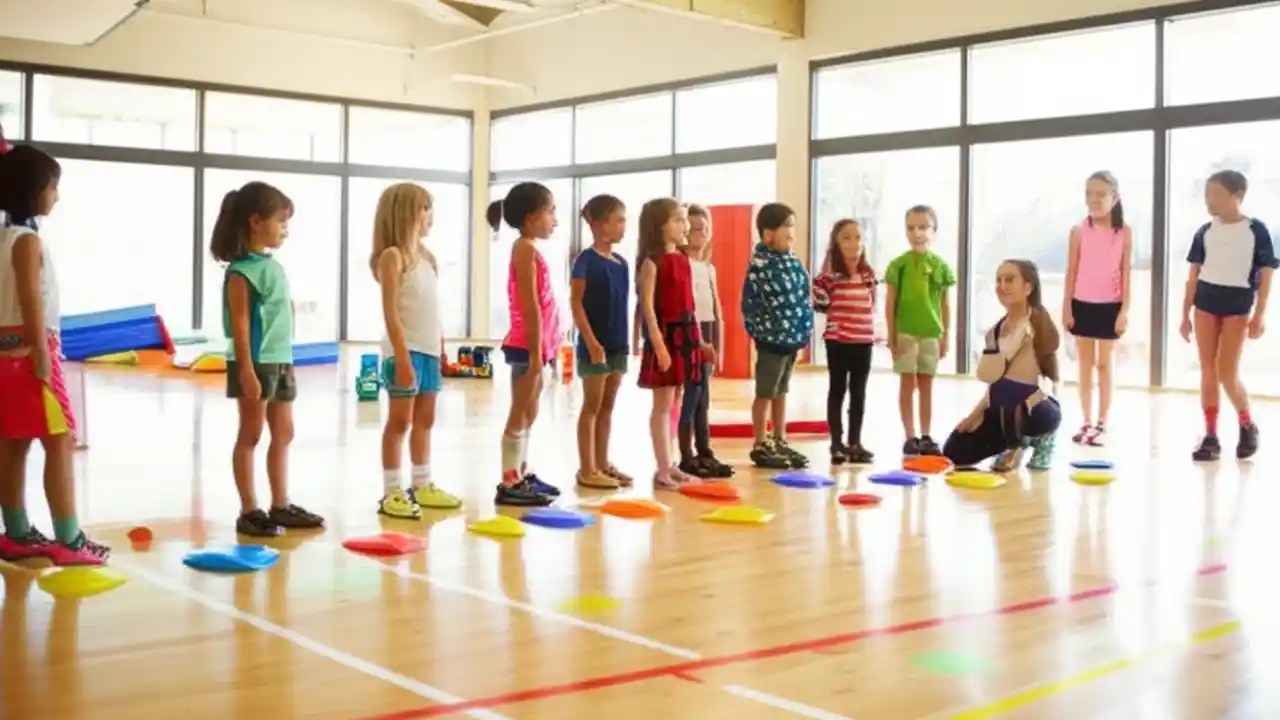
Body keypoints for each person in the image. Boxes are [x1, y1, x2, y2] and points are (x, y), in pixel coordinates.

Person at [0, 144, 109, 565]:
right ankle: (70, 540)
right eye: (52, 187)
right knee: (60, 441)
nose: (57, 196)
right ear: (33, 191)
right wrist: (41, 356)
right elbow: (30, 297)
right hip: (32, 351)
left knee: (13, 444)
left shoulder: (3, 237)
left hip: (6, 354)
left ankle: (16, 532)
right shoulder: (26, 241)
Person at [212, 181, 325, 538]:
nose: (285, 229)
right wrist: (246, 369)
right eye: (281, 221)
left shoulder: (270, 265)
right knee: (251, 433)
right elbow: (240, 326)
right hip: (256, 362)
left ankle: (280, 504)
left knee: (284, 431)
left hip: (280, 358)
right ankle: (249, 510)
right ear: (256, 221)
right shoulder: (241, 272)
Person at [371, 183, 461, 519]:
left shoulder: (428, 258)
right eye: (425, 209)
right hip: (404, 352)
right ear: (407, 214)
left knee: (426, 420)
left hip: (429, 352)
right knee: (399, 422)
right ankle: (391, 491)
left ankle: (421, 484)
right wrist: (402, 356)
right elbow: (391, 314)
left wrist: (441, 349)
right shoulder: (392, 258)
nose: (430, 216)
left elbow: (432, 311)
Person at [1179, 170, 1276, 461]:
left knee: (1226, 371)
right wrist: (1184, 314)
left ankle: (1247, 423)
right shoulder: (1204, 232)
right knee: (1208, 369)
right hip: (1206, 301)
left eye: (1216, 195)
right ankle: (1211, 436)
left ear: (1238, 196)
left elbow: (1266, 274)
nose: (1209, 201)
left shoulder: (1256, 231)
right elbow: (1193, 277)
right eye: (1207, 195)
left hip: (1238, 303)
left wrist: (1260, 314)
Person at [943, 260, 1062, 469]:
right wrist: (972, 418)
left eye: (1009, 280)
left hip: (1036, 408)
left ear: (1028, 287)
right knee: (955, 450)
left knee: (1011, 393)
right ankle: (1014, 441)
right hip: (1002, 406)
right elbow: (994, 382)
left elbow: (1034, 383)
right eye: (999, 280)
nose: (1002, 286)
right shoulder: (995, 331)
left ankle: (1032, 440)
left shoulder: (1037, 325)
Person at [489, 182, 562, 505]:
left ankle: (521, 471)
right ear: (531, 218)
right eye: (551, 212)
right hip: (526, 345)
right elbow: (530, 304)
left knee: (530, 411)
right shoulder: (524, 250)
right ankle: (509, 482)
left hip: (539, 347)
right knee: (519, 412)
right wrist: (534, 353)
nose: (555, 220)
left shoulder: (531, 248)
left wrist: (548, 350)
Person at [636, 198, 716, 489]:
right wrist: (658, 346)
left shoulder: (683, 260)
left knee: (675, 402)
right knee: (663, 404)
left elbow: (690, 305)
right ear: (660, 226)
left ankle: (671, 464)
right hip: (666, 338)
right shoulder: (652, 263)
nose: (686, 226)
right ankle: (662, 469)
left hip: (686, 337)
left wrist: (701, 342)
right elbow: (647, 309)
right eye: (679, 220)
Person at [1062, 171, 1131, 448]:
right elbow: (1071, 271)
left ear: (1115, 198)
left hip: (1110, 305)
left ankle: (1103, 422)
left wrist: (1124, 311)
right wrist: (1067, 308)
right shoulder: (1078, 231)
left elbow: (1126, 273)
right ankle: (1086, 421)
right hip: (1082, 303)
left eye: (1101, 194)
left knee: (1105, 365)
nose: (1094, 199)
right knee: (1085, 365)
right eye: (1089, 194)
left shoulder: (1124, 232)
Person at [742, 202, 813, 470]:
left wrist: (803, 331)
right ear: (768, 233)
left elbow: (803, 298)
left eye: (793, 225)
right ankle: (761, 442)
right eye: (786, 226)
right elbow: (750, 303)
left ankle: (779, 438)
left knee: (781, 391)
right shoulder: (760, 265)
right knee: (765, 392)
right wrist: (760, 331)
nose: (791, 231)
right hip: (771, 341)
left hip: (791, 339)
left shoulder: (793, 262)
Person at [569, 194, 632, 490]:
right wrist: (592, 342)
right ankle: (586, 468)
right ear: (599, 225)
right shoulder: (585, 261)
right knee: (592, 406)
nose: (623, 226)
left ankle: (602, 463)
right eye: (618, 220)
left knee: (608, 407)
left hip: (618, 345)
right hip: (595, 346)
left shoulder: (621, 263)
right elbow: (576, 303)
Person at [885, 205, 955, 457]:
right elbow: (890, 303)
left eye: (924, 227)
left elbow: (945, 304)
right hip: (905, 332)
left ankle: (926, 435)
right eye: (911, 228)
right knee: (907, 383)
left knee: (927, 384)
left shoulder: (941, 266)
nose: (917, 233)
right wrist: (891, 335)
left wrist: (945, 335)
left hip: (931, 333)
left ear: (934, 230)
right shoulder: (899, 265)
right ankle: (910, 436)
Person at [813, 219, 876, 465]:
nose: (853, 243)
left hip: (863, 341)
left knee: (859, 394)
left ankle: (855, 442)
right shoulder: (829, 276)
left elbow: (871, 304)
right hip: (838, 342)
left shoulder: (868, 274)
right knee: (837, 391)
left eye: (857, 237)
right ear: (836, 244)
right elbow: (819, 302)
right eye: (846, 238)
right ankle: (836, 444)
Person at [677, 204, 732, 479]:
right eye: (694, 228)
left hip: (708, 329)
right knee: (692, 394)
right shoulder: (682, 266)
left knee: (704, 396)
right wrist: (698, 339)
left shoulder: (709, 268)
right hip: (691, 332)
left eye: (705, 228)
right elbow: (686, 306)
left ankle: (705, 450)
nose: (700, 233)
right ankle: (686, 455)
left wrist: (718, 343)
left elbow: (716, 305)